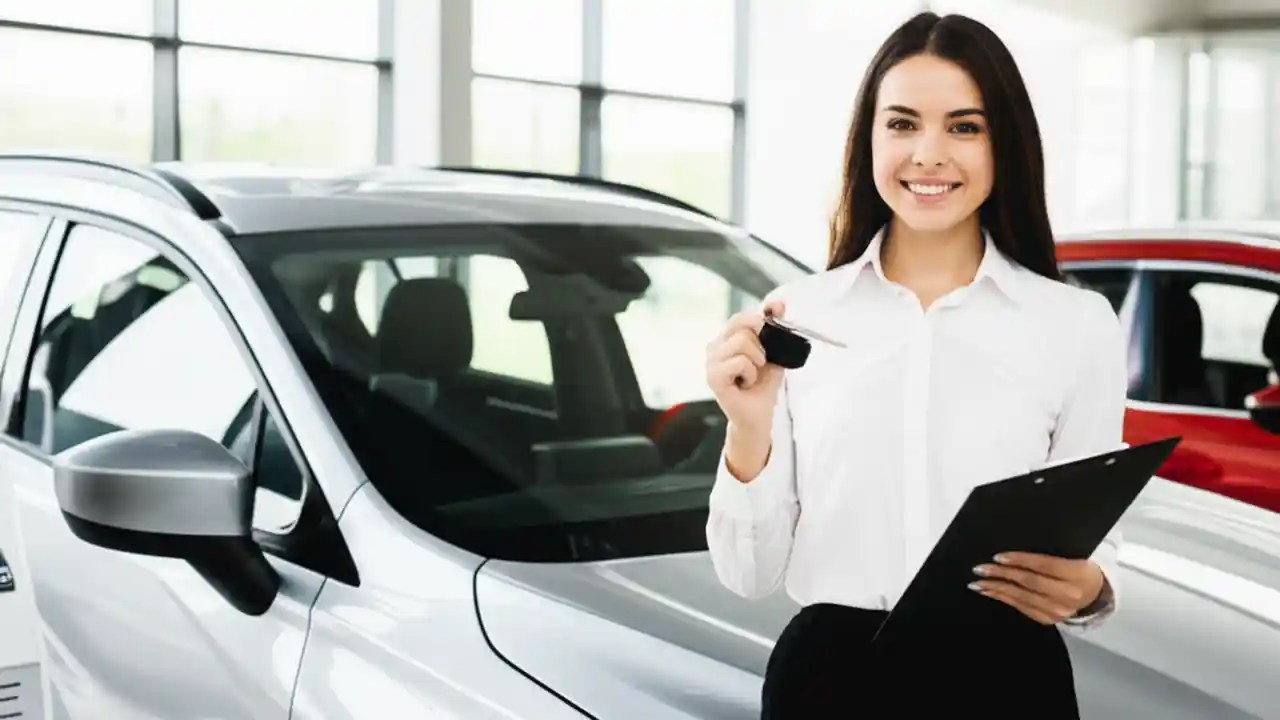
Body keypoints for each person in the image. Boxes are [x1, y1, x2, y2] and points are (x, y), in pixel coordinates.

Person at [703, 11, 1126, 720]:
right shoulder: (799, 316)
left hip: (1010, 683)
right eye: (901, 124)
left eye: (964, 127)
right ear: (868, 140)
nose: (929, 153)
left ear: (1005, 146)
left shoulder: (1075, 326)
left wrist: (1092, 590)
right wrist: (747, 431)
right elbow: (749, 576)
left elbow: (1095, 533)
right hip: (830, 686)